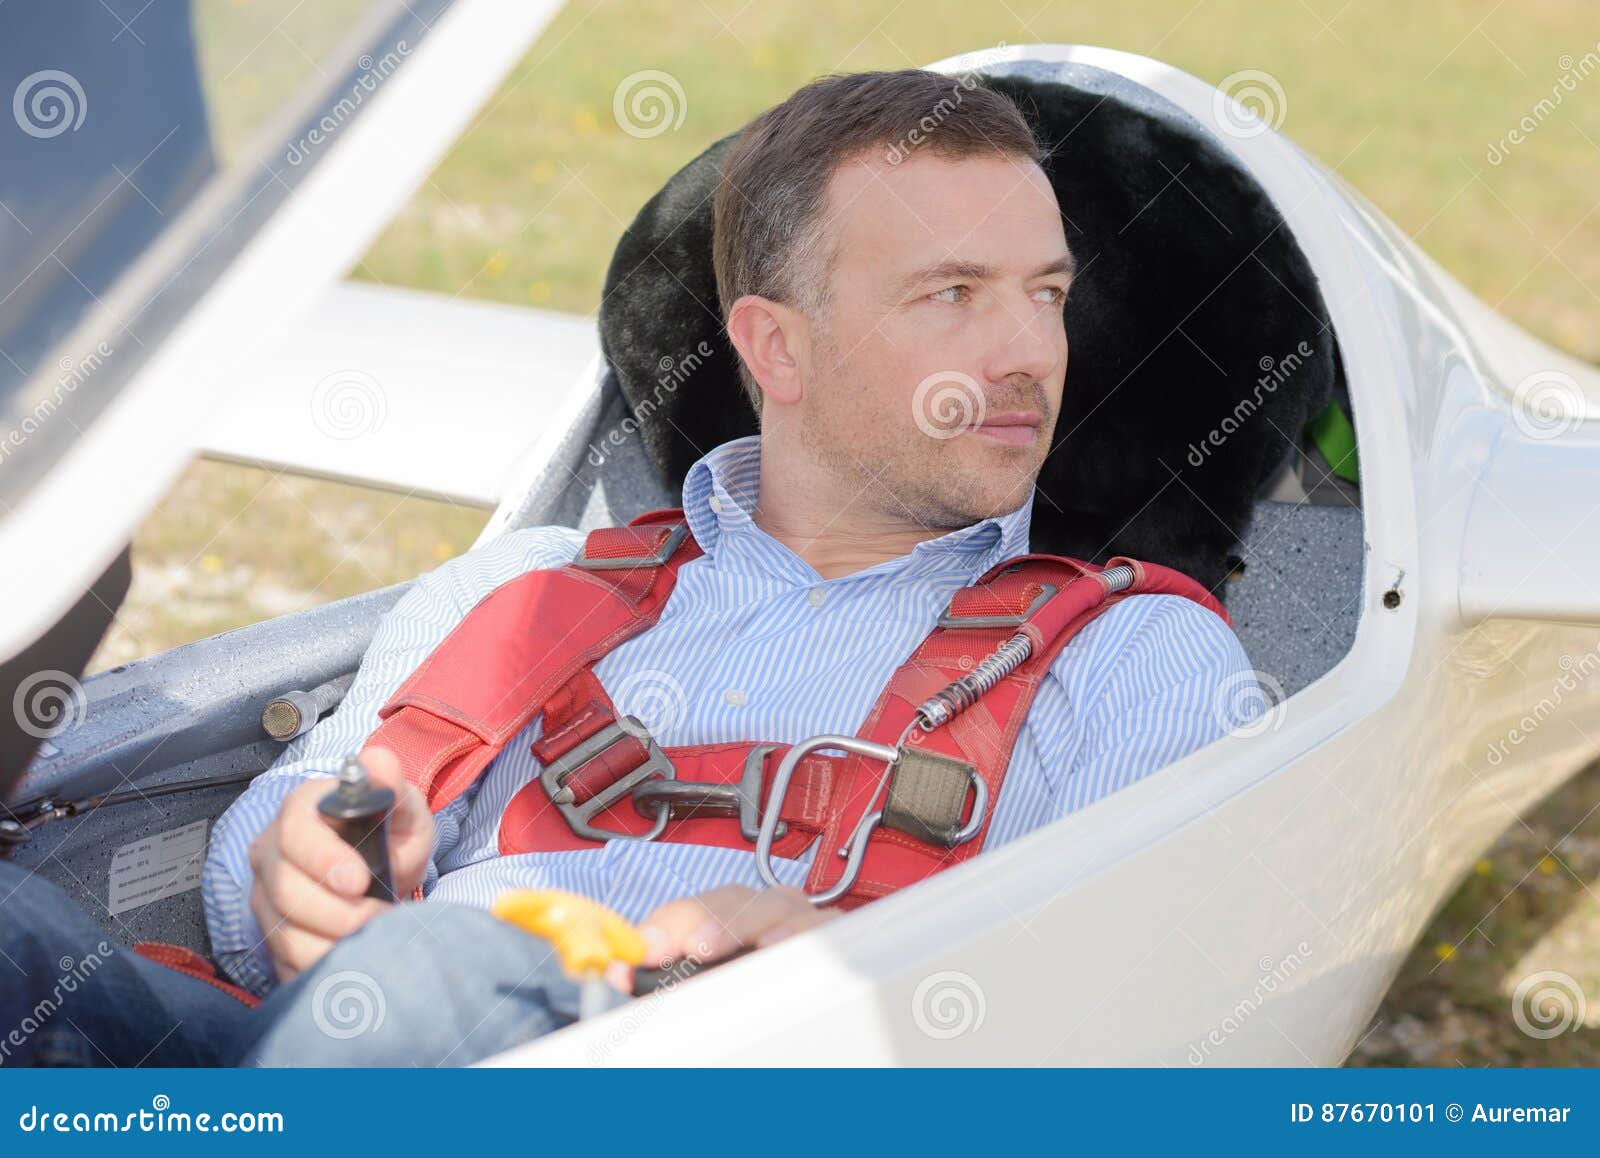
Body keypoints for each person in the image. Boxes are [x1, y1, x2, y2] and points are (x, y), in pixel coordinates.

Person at [0, 68, 1255, 1067]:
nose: (1029, 351)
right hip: (340, 1057)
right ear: (777, 348)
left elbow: (1151, 1017)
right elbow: (280, 850)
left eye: (1046, 293)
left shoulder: (1134, 655)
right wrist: (292, 870)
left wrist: (858, 984)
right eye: (953, 294)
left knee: (427, 974)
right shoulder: (526, 589)